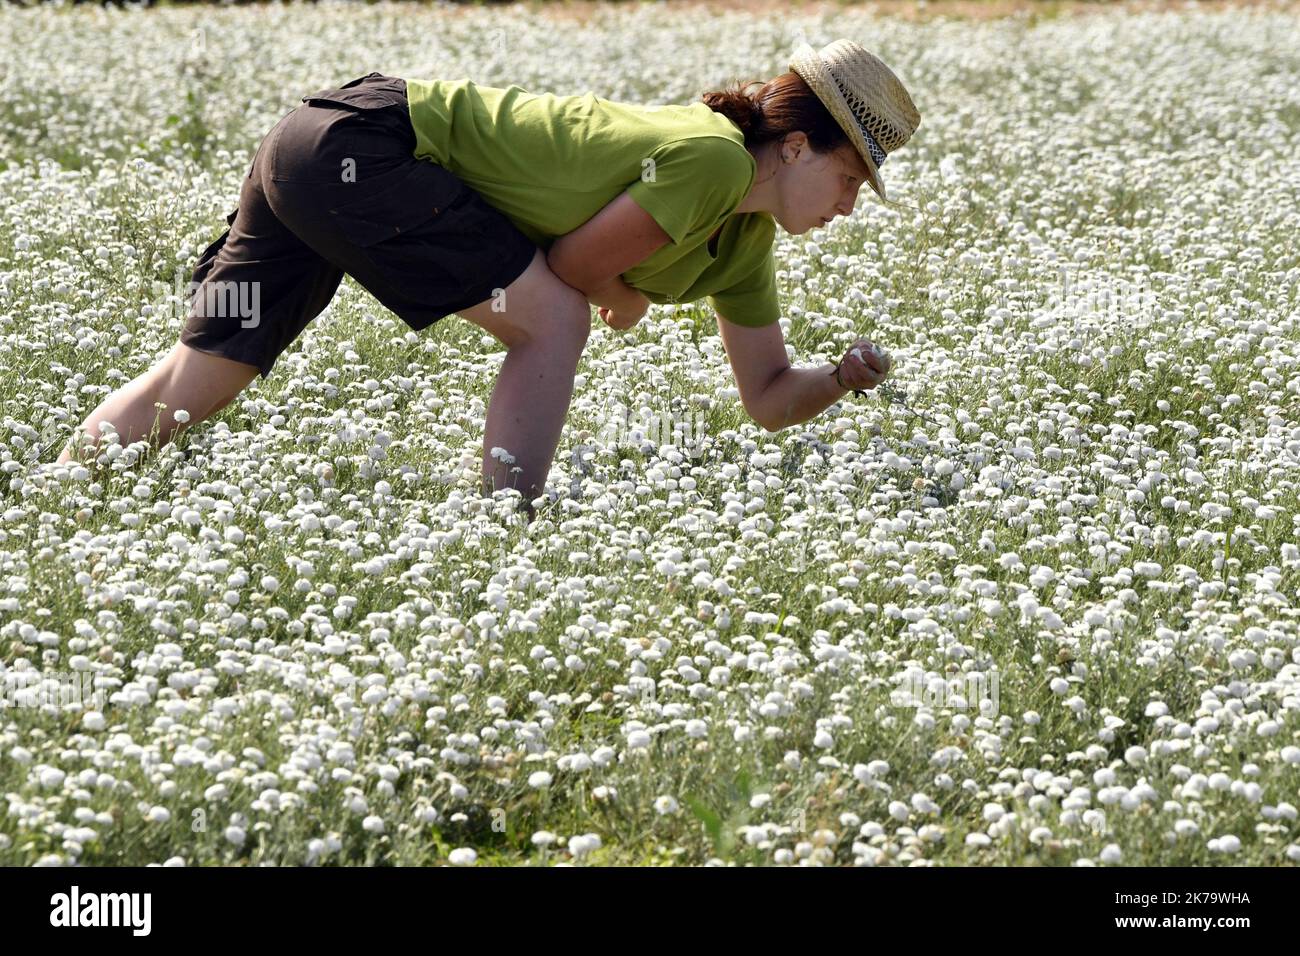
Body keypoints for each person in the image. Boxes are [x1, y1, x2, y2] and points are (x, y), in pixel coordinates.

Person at [55, 38, 920, 515]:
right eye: (849, 178)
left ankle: (54, 498)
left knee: (204, 373)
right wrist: (625, 297)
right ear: (797, 145)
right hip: (367, 146)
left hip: (310, 143)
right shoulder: (715, 160)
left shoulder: (744, 243)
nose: (848, 205)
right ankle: (506, 529)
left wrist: (840, 379)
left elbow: (767, 398)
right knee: (554, 320)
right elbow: (580, 273)